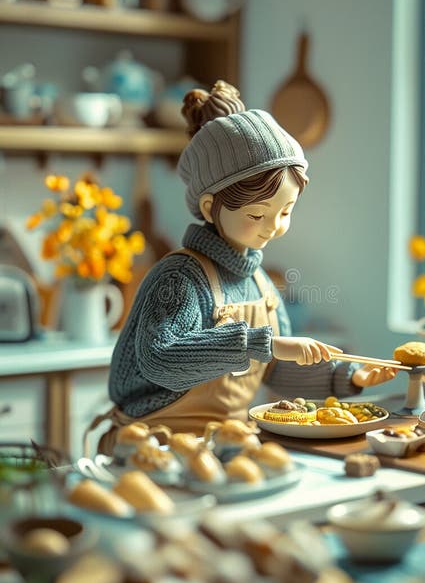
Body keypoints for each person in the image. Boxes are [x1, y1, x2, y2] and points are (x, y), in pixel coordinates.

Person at [106, 80, 396, 439]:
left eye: (286, 212)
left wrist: (347, 376)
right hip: (154, 439)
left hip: (226, 439)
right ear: (211, 207)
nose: (273, 228)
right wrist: (264, 343)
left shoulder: (258, 279)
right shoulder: (180, 277)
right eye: (258, 215)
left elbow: (274, 369)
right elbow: (161, 358)